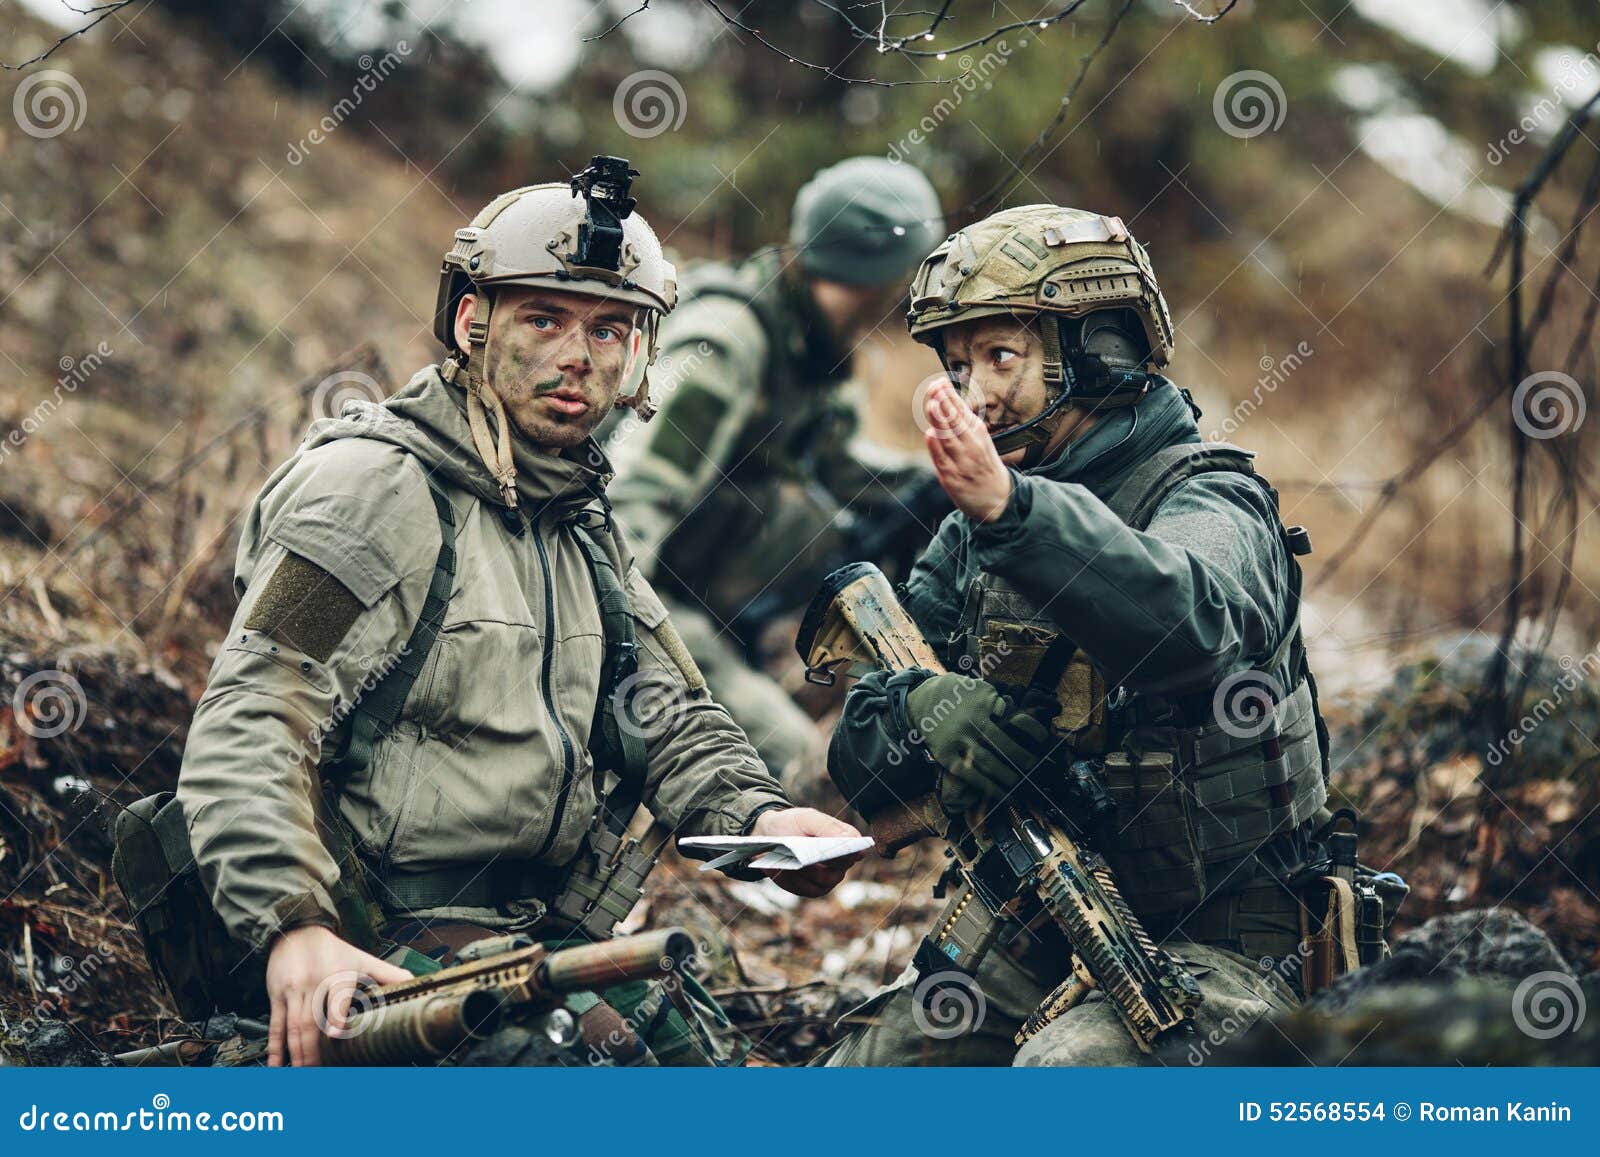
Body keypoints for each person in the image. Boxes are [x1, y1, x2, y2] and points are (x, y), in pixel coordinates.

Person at [176, 158, 860, 1068]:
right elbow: (255, 713)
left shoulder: (576, 515)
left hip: (531, 933)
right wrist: (293, 925)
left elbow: (659, 706)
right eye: (545, 319)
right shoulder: (372, 488)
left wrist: (761, 818)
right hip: (374, 932)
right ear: (472, 322)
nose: (581, 357)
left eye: (612, 329)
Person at [819, 204, 1327, 1065]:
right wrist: (929, 712)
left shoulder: (1211, 498)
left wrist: (1018, 515)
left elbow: (1193, 629)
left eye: (1000, 356)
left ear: (1100, 349)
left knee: (1068, 1078)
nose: (973, 393)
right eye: (955, 364)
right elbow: (859, 759)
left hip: (1227, 937)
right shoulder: (977, 527)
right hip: (1033, 922)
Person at [605, 157, 945, 799]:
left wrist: (955, 482)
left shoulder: (814, 341)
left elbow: (844, 470)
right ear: (884, 275)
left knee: (904, 520)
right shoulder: (727, 345)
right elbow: (622, 537)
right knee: (808, 773)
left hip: (719, 577)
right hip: (655, 599)